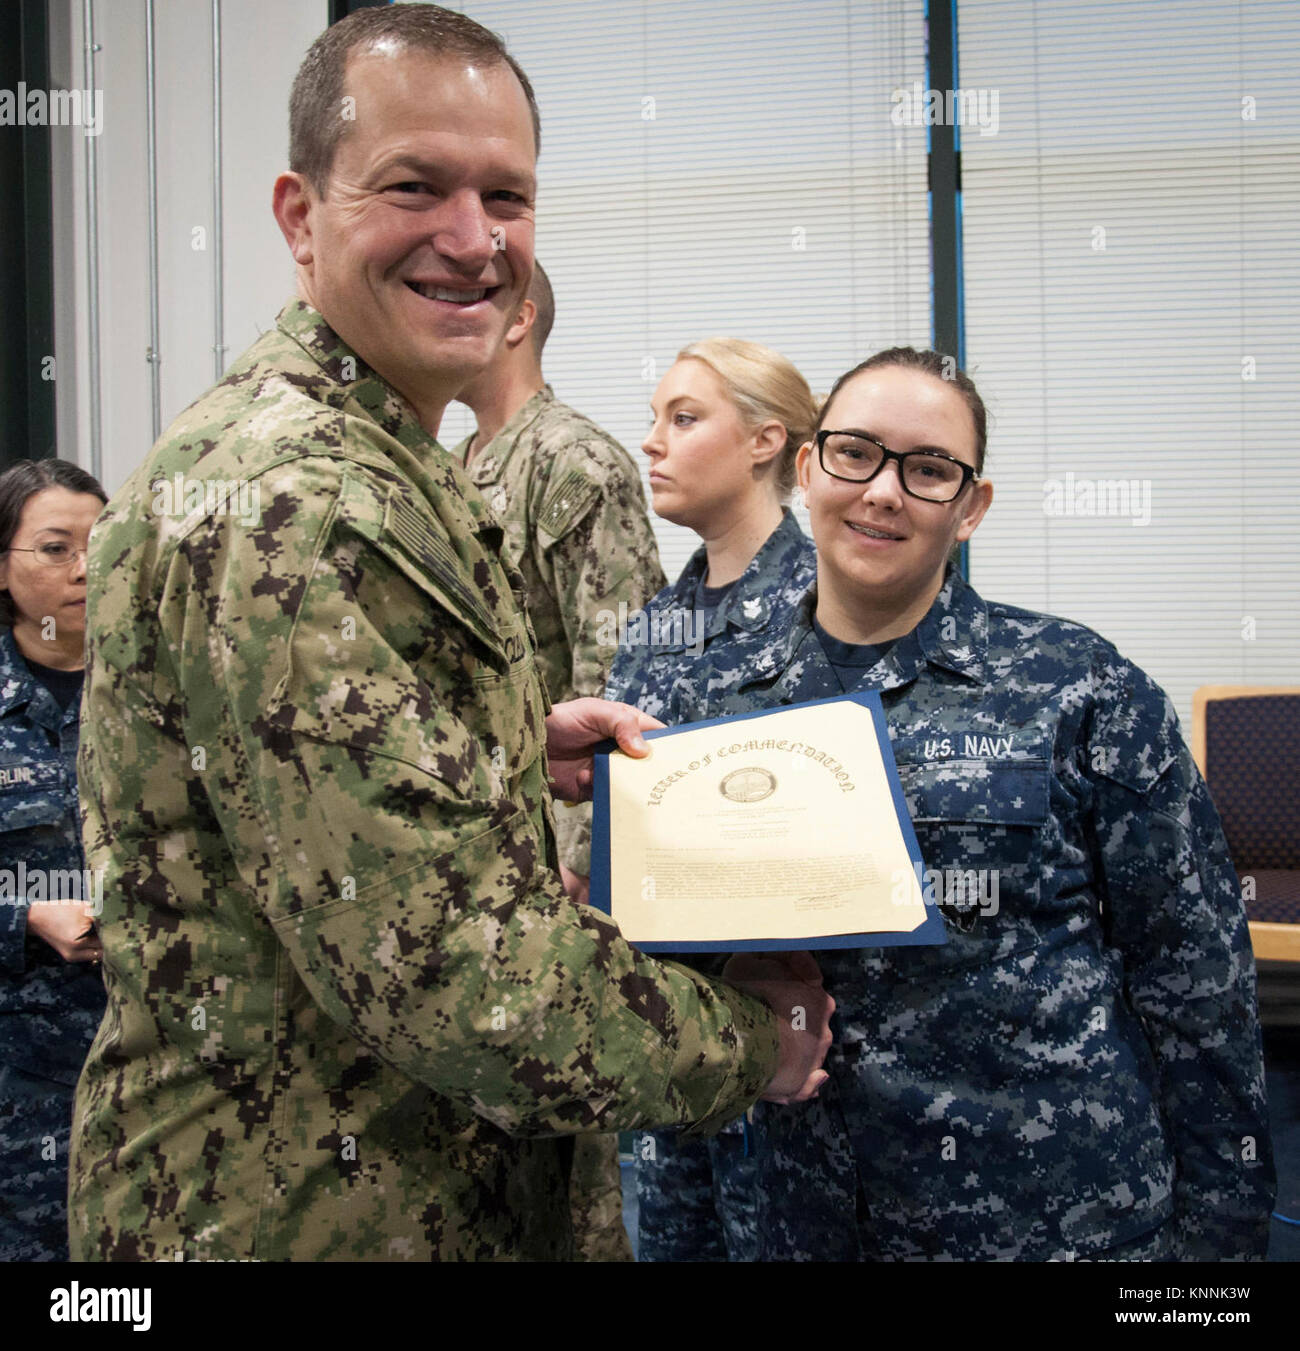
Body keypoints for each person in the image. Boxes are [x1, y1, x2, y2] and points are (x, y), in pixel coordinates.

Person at [68, 4, 831, 1263]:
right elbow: (454, 978)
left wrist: (503, 746)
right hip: (306, 1207)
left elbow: (288, 783)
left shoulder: (381, 453)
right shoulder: (302, 502)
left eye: (508, 197)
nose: (473, 242)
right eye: (413, 185)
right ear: (300, 216)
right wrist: (752, 1042)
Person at [668, 346, 1275, 1260]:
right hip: (792, 1221)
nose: (883, 491)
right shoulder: (709, 709)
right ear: (806, 467)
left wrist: (1215, 1262)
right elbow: (687, 995)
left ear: (970, 507)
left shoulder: (1081, 689)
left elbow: (1197, 985)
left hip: (1050, 1224)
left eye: (928, 469)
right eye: (856, 453)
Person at [451, 262, 667, 1260]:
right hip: (475, 867)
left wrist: (594, 863)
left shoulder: (572, 460)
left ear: (519, 317)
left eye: (465, 299)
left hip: (561, 874)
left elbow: (625, 678)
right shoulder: (456, 466)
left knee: (579, 1185)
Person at [605, 338, 817, 1261]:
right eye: (654, 418)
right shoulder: (654, 627)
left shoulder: (838, 608)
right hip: (669, 1033)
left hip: (795, 1042)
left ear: (766, 440)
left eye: (683, 419)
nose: (651, 442)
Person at [0, 459, 107, 1260]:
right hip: (26, 1081)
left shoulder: (162, 692)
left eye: (100, 544)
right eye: (54, 546)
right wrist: (25, 914)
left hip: (162, 1059)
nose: (82, 568)